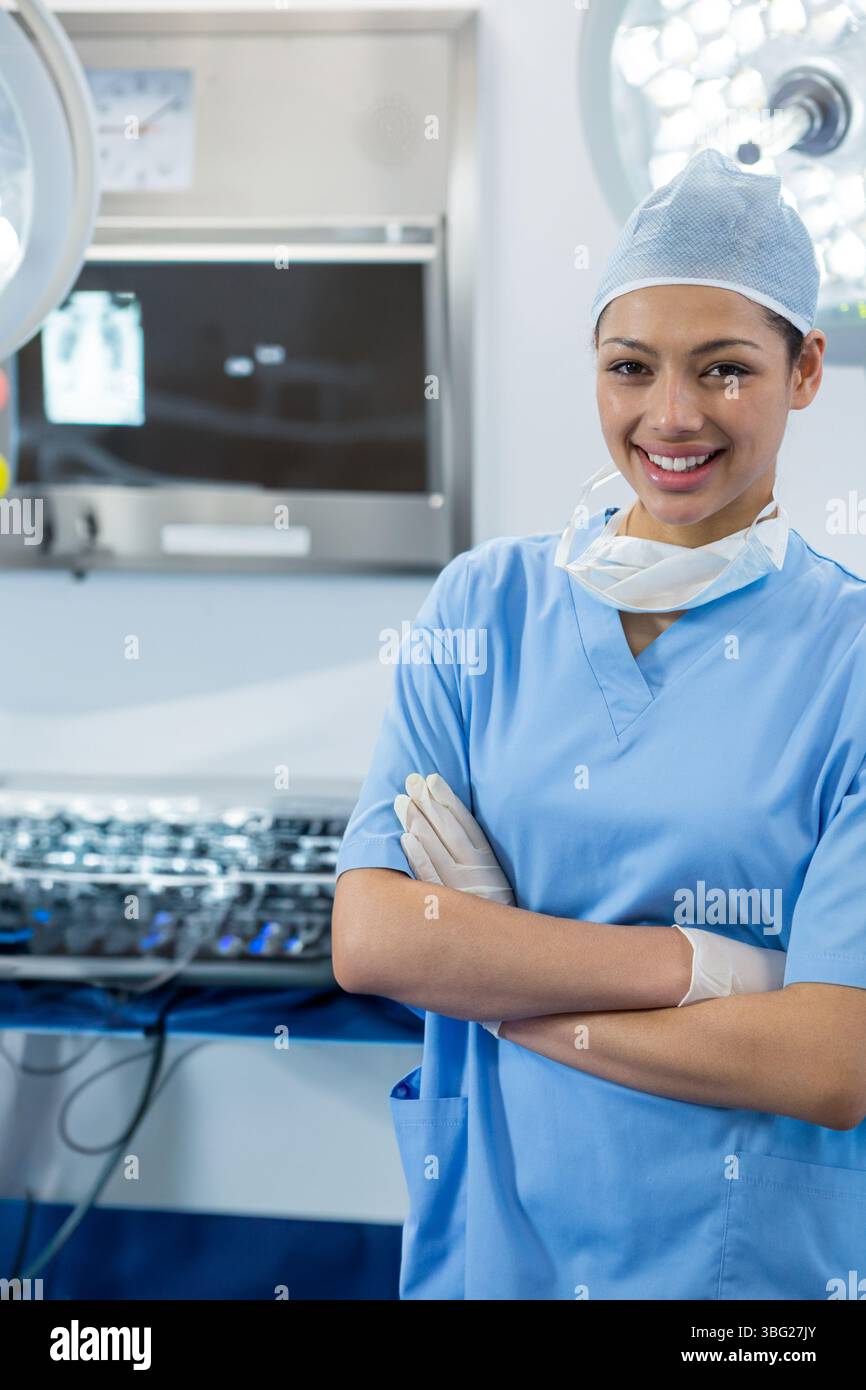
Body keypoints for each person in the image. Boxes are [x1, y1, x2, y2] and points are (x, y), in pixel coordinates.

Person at [332, 149, 866, 1301]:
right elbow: (373, 938)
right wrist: (705, 970)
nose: (669, 417)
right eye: (630, 368)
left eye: (723, 370)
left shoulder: (849, 661)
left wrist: (491, 968)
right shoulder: (483, 607)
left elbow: (829, 1060)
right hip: (492, 1247)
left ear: (805, 368)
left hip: (739, 1282)